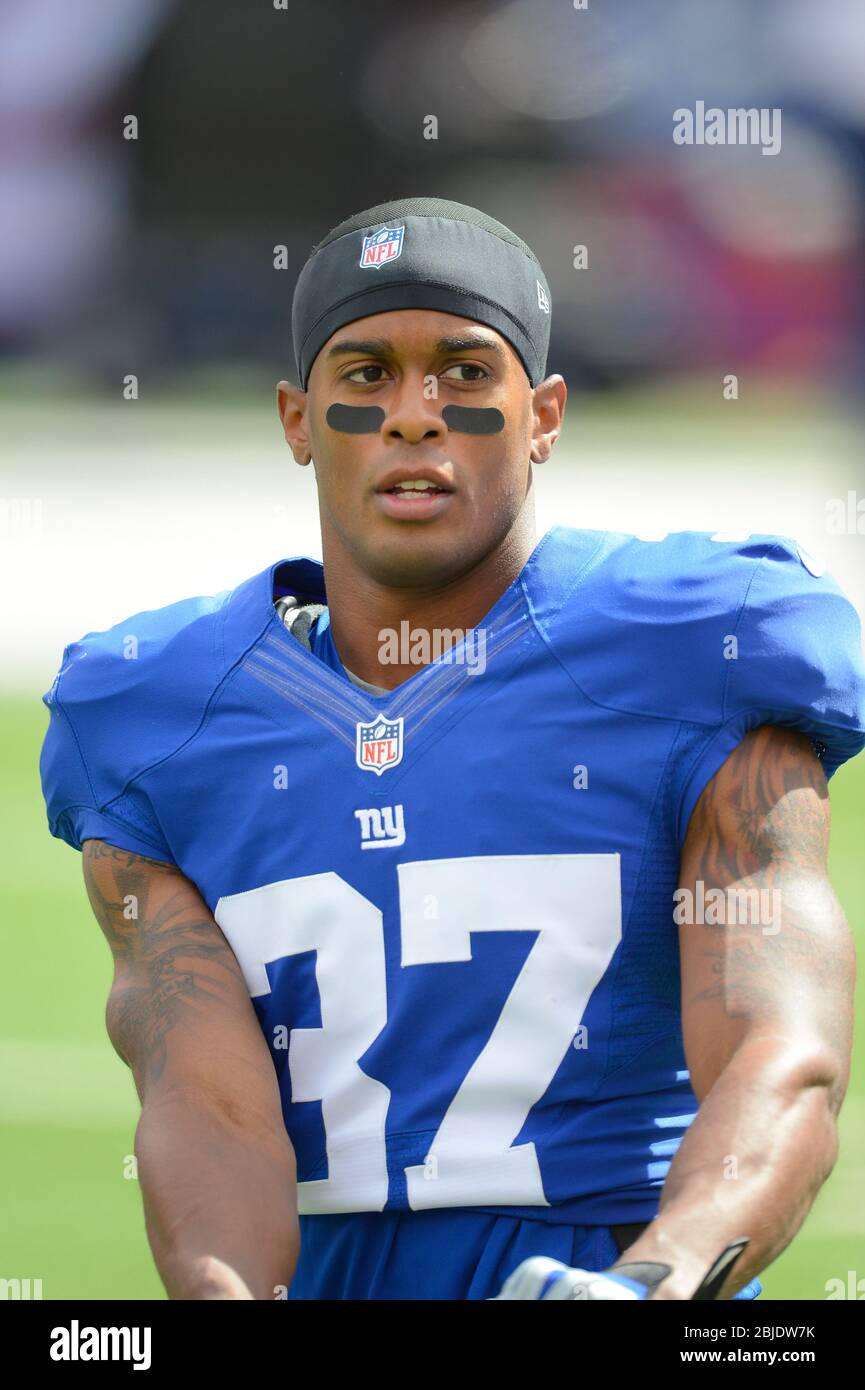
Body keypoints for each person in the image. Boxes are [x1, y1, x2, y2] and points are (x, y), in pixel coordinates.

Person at [39, 197, 865, 1300]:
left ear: (545, 416)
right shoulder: (158, 712)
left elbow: (784, 1055)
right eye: (366, 373)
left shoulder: (696, 649)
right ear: (297, 419)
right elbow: (202, 1098)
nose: (414, 415)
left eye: (468, 374)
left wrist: (651, 1284)